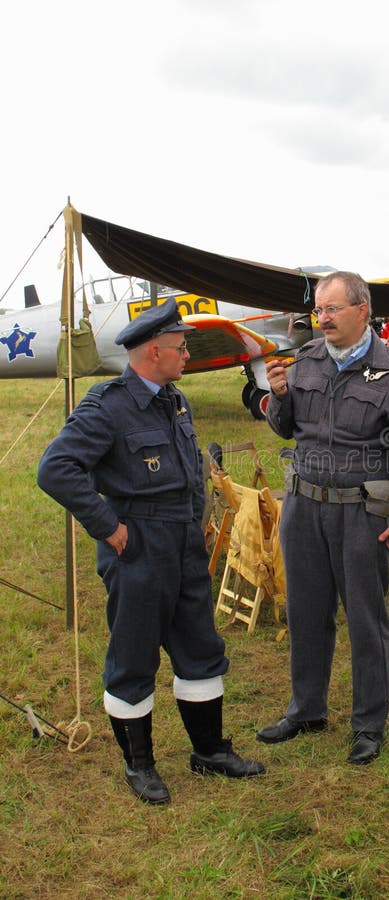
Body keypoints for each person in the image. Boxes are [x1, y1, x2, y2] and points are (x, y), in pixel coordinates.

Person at [37, 298, 264, 805]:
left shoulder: (174, 399)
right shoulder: (108, 406)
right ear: (154, 352)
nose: (188, 355)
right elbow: (55, 469)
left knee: (200, 647)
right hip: (139, 546)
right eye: (180, 348)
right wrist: (107, 526)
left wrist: (197, 523)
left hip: (184, 543)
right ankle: (139, 765)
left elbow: (188, 469)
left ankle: (209, 750)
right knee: (134, 655)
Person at [257, 271, 389, 764]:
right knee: (306, 615)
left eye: (332, 309)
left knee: (365, 621)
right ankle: (306, 709)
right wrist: (280, 397)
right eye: (319, 309)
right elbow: (285, 430)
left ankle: (369, 724)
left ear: (362, 310)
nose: (323, 318)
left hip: (362, 513)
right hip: (303, 509)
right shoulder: (306, 360)